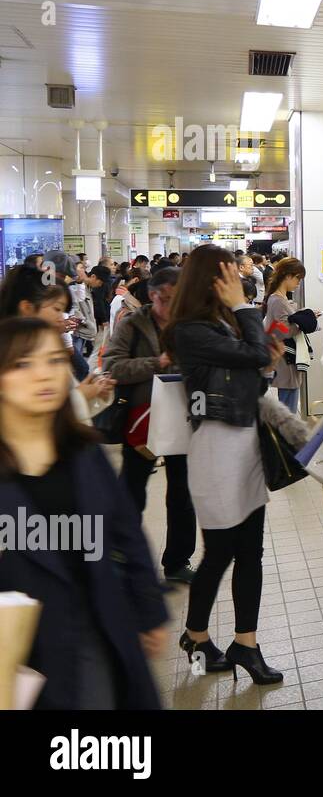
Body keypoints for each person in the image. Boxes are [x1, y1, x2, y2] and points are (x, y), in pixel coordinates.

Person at [0, 316, 169, 708]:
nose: (44, 375)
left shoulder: (83, 452)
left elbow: (127, 532)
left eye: (54, 360)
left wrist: (149, 608)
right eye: (23, 364)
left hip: (96, 629)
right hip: (20, 654)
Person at [167, 244, 286, 684]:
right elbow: (253, 357)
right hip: (217, 449)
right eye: (230, 274)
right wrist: (244, 309)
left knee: (248, 551)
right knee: (219, 552)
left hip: (245, 443)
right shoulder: (191, 329)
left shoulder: (219, 323)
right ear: (211, 280)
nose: (239, 278)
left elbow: (255, 370)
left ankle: (244, 642)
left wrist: (263, 358)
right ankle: (198, 635)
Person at [104, 266, 197, 585]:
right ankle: (119, 555)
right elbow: (112, 366)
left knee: (183, 493)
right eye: (169, 298)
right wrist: (156, 364)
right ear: (154, 295)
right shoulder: (132, 324)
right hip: (142, 419)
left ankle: (178, 560)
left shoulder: (192, 325)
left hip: (184, 418)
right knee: (132, 489)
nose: (175, 305)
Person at [0, 266, 115, 422]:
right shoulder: (13, 354)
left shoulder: (46, 346)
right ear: (27, 308)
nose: (62, 317)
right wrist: (81, 396)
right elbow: (32, 417)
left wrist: (90, 393)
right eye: (57, 309)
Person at [263, 257, 318, 412]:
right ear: (287, 276)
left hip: (285, 359)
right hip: (285, 360)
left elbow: (280, 325)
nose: (298, 283)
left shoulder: (278, 299)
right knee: (288, 408)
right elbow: (283, 330)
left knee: (289, 403)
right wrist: (304, 321)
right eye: (297, 278)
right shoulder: (278, 301)